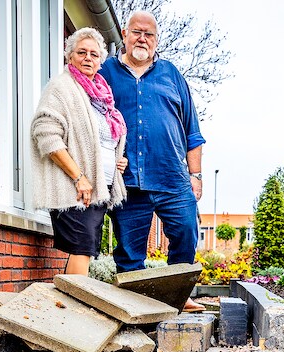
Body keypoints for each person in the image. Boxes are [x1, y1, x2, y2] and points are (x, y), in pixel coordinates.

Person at [99, 10, 207, 311]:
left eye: (149, 34)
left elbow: (193, 132)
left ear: (156, 40)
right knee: (130, 251)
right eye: (137, 32)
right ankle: (135, 308)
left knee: (186, 233)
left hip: (172, 176)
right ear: (125, 34)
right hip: (127, 180)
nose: (142, 38)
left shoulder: (172, 74)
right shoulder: (105, 74)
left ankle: (178, 298)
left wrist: (195, 176)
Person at [30, 27, 128, 275]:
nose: (88, 58)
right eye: (81, 52)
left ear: (101, 60)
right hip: (76, 189)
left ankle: (67, 308)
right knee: (82, 249)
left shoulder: (100, 93)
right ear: (69, 56)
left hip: (96, 189)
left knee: (84, 250)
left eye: (94, 54)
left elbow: (103, 139)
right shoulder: (62, 88)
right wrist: (78, 177)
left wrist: (118, 159)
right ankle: (72, 311)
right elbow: (46, 133)